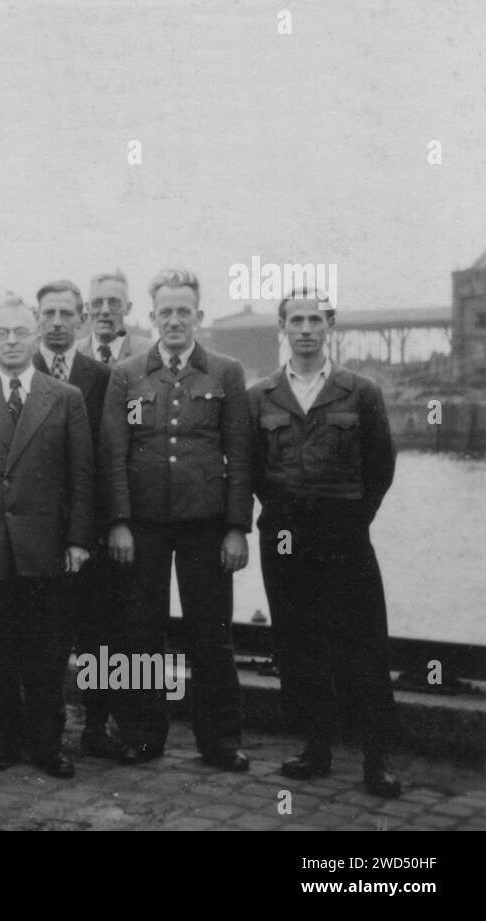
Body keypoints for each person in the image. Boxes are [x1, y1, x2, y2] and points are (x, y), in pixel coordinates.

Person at [248, 290, 401, 798]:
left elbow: (381, 465)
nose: (307, 328)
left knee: (363, 646)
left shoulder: (360, 391)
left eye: (317, 319)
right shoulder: (262, 395)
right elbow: (252, 469)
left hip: (346, 536)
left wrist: (356, 519)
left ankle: (376, 759)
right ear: (283, 328)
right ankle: (316, 748)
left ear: (329, 327)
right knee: (298, 644)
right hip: (286, 539)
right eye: (297, 320)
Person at [99, 268, 253, 771]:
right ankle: (143, 734)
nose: (174, 321)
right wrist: (118, 521)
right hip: (142, 523)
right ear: (151, 317)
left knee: (211, 632)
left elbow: (240, 455)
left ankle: (220, 741)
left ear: (199, 317)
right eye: (165, 311)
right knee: (139, 631)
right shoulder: (128, 373)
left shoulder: (225, 373)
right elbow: (113, 453)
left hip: (205, 524)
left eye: (183, 311)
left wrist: (236, 527)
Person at [0, 298, 94, 777]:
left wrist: (76, 541)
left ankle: (47, 746)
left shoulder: (65, 397)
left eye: (20, 332)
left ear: (36, 339)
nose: (11, 341)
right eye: (2, 333)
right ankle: (2, 743)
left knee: (47, 655)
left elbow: (81, 476)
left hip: (46, 548)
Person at [33, 279, 122, 759]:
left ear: (82, 317)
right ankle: (42, 726)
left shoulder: (102, 376)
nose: (58, 323)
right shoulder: (16, 369)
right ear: (36, 317)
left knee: (96, 631)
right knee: (43, 632)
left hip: (87, 528)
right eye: (49, 314)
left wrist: (105, 525)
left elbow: (109, 456)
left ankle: (97, 724)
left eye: (67, 314)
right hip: (33, 527)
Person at [78, 270, 146, 364]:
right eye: (97, 303)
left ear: (128, 308)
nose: (105, 310)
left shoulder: (147, 352)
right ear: (87, 308)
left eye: (114, 303)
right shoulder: (73, 354)